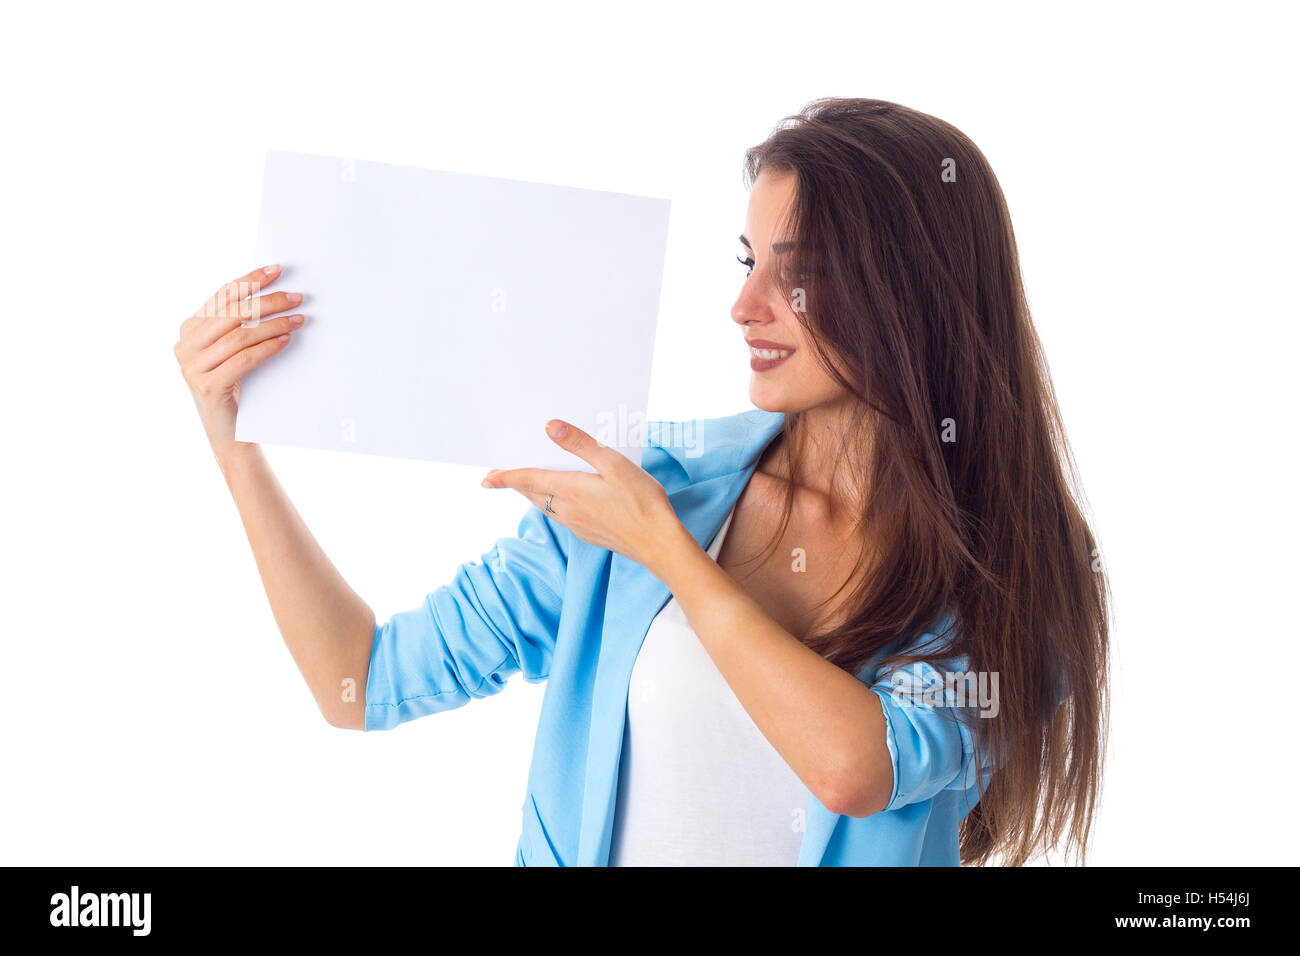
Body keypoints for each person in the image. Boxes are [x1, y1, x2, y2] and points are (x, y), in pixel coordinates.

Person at [173, 97, 1110, 866]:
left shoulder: (1023, 567)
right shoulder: (653, 485)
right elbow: (360, 681)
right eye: (748, 263)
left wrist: (667, 550)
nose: (744, 307)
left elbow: (858, 766)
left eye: (801, 276)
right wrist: (235, 442)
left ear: (915, 292)